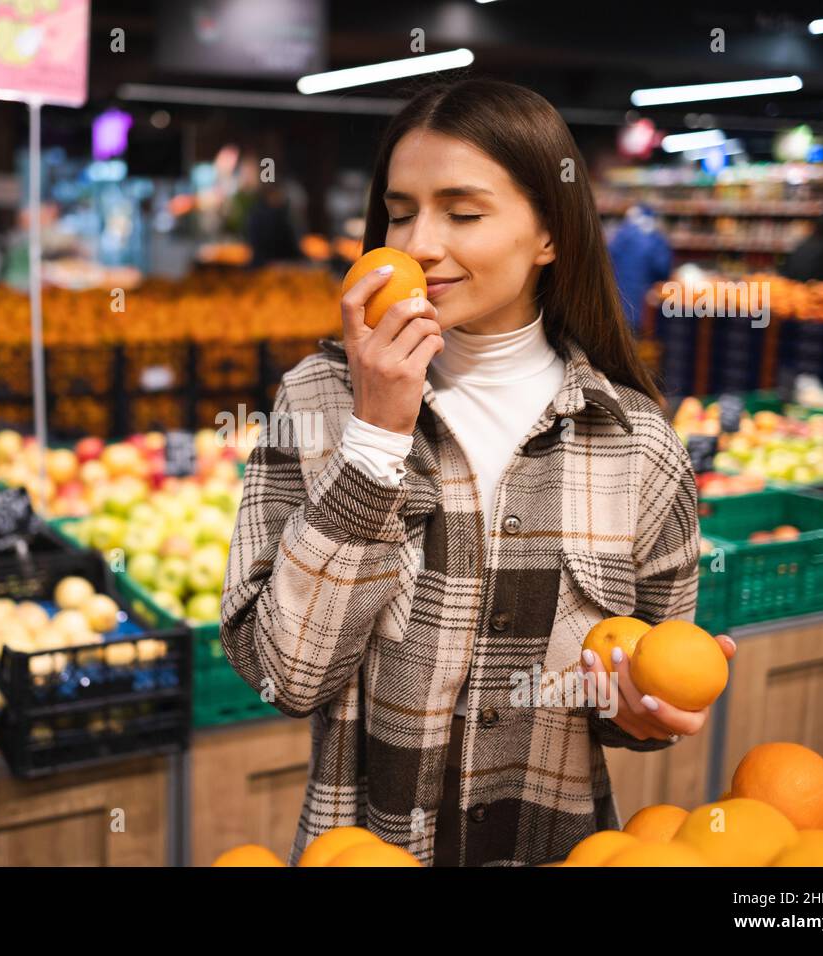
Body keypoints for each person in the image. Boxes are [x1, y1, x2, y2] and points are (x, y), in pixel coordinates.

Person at [220, 78, 734, 867]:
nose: (419, 243)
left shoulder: (636, 443)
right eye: (399, 211)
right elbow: (287, 676)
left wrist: (639, 711)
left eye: (463, 213)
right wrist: (376, 433)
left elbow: (641, 685)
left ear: (550, 235)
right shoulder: (316, 401)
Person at [608, 204, 672, 334]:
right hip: (640, 304)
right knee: (636, 340)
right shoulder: (655, 238)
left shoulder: (619, 235)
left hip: (615, 302)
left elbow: (607, 262)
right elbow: (662, 269)